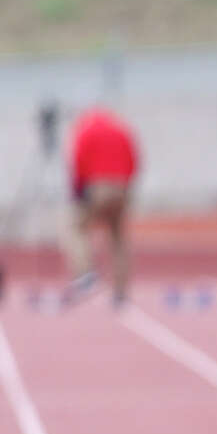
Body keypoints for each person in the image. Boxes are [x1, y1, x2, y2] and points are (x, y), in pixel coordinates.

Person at [63, 105, 137, 305]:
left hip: (97, 186)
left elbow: (78, 162)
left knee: (75, 227)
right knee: (118, 237)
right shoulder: (122, 129)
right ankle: (121, 291)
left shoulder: (85, 130)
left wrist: (77, 192)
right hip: (122, 186)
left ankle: (85, 272)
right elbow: (134, 159)